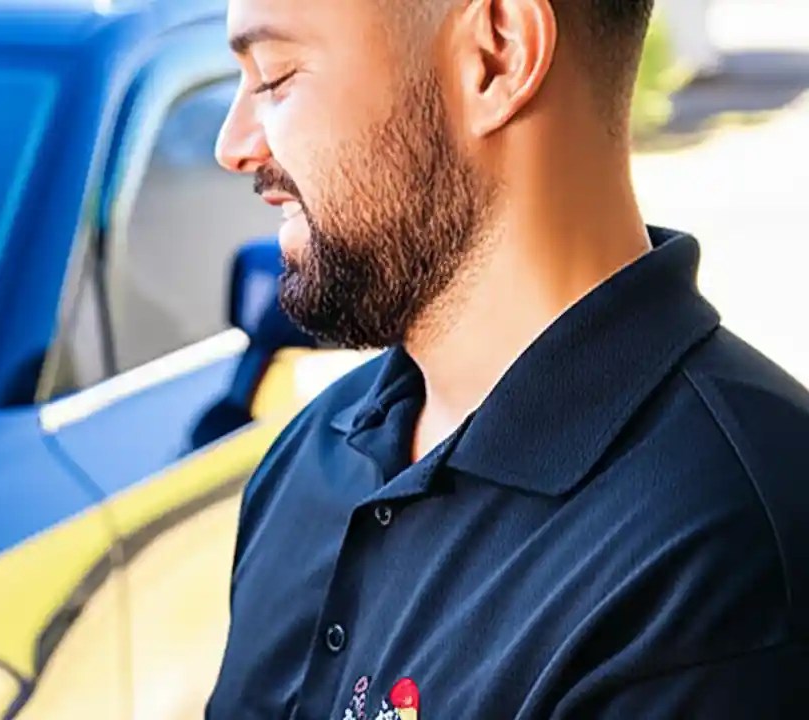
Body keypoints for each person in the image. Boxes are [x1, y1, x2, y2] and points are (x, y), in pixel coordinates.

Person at [206, 0, 809, 718]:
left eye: (275, 77)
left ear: (498, 55)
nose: (234, 144)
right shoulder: (310, 457)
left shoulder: (723, 549)